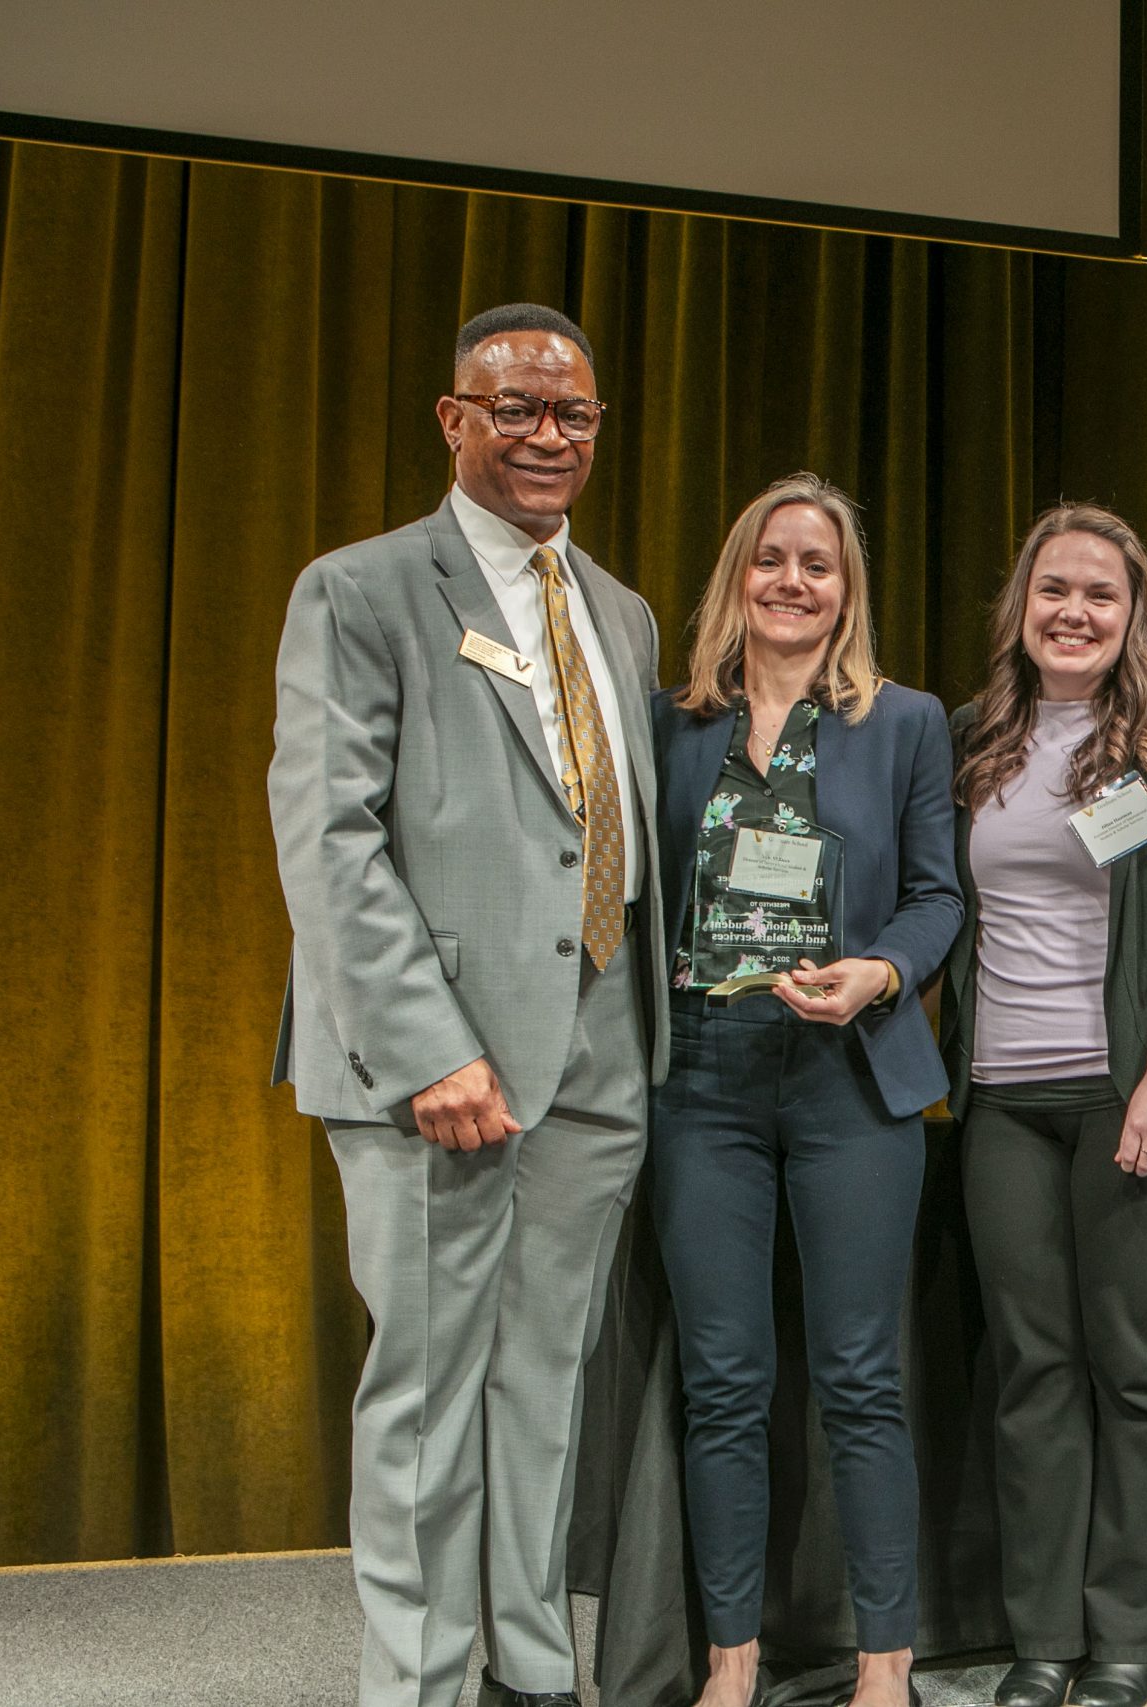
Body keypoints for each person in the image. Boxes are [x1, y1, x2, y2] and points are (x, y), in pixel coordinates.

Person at [269, 302, 664, 1707]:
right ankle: (423, 1683)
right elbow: (330, 838)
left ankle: (533, 1668)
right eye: (516, 408)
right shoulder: (363, 590)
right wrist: (429, 1044)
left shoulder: (621, 611)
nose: (547, 435)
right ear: (455, 419)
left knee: (544, 1389)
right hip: (440, 1072)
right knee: (428, 1405)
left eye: (572, 414)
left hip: (604, 1061)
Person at [648, 474, 961, 1707]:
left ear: (848, 588)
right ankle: (731, 1665)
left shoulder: (906, 721)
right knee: (724, 1381)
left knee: (860, 1378)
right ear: (738, 576)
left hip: (850, 1081)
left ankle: (884, 1668)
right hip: (702, 1082)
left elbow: (939, 895)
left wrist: (880, 970)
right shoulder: (669, 720)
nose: (792, 581)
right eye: (771, 558)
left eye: (817, 564)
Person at [939, 505, 1147, 1707]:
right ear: (1021, 604)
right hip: (1005, 1104)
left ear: (1133, 618)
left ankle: (1132, 1635)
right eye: (1053, 590)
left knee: (1140, 1367)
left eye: (1099, 596)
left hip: (1136, 1095)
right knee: (1032, 1370)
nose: (1073, 612)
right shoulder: (973, 738)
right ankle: (1044, 1639)